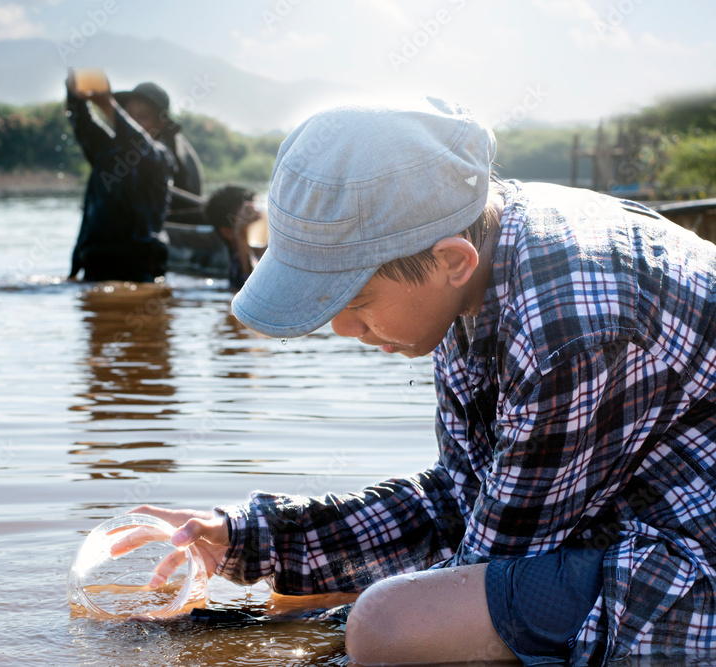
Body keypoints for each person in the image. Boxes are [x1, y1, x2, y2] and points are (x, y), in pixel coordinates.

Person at [133, 97, 716, 665]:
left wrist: (333, 628)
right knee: (345, 605)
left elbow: (487, 563)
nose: (340, 327)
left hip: (698, 558)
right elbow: (463, 499)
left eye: (356, 300)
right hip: (630, 521)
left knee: (389, 625)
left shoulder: (568, 322)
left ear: (451, 260)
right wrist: (252, 538)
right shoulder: (477, 264)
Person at [66, 73, 177, 282]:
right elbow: (83, 124)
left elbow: (140, 144)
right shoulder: (105, 150)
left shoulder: (160, 157)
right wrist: (74, 94)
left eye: (142, 116)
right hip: (96, 261)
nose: (132, 121)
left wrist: (108, 105)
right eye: (127, 114)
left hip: (140, 266)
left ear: (159, 126)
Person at [204, 185, 265, 290]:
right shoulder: (238, 267)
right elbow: (254, 283)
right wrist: (241, 235)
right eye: (248, 213)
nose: (257, 215)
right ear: (228, 232)